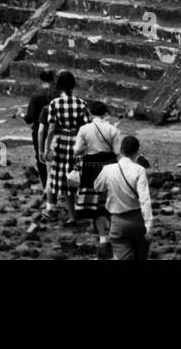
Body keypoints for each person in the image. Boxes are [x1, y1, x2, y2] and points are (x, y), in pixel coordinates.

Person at [73, 101, 122, 259]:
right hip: (110, 164)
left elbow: (77, 151)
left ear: (90, 113)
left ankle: (103, 238)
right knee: (110, 201)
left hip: (91, 166)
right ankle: (114, 233)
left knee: (96, 205)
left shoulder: (84, 129)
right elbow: (117, 151)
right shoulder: (113, 129)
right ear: (105, 113)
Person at [42, 71, 91, 223]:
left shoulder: (54, 104)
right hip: (77, 141)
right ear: (73, 85)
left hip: (62, 142)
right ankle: (83, 210)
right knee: (77, 176)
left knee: (64, 180)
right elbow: (87, 127)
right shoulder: (81, 103)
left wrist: (46, 149)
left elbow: (50, 129)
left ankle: (72, 216)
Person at [95, 135, 152, 260]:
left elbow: (98, 186)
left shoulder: (108, 169)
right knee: (141, 256)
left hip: (117, 222)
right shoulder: (139, 170)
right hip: (138, 220)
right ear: (137, 151)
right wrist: (148, 225)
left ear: (121, 150)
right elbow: (145, 200)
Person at [23, 69, 56, 193]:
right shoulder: (58, 95)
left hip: (40, 130)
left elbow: (30, 118)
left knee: (41, 158)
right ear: (53, 80)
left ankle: (46, 186)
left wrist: (22, 116)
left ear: (40, 80)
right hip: (58, 130)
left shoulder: (36, 96)